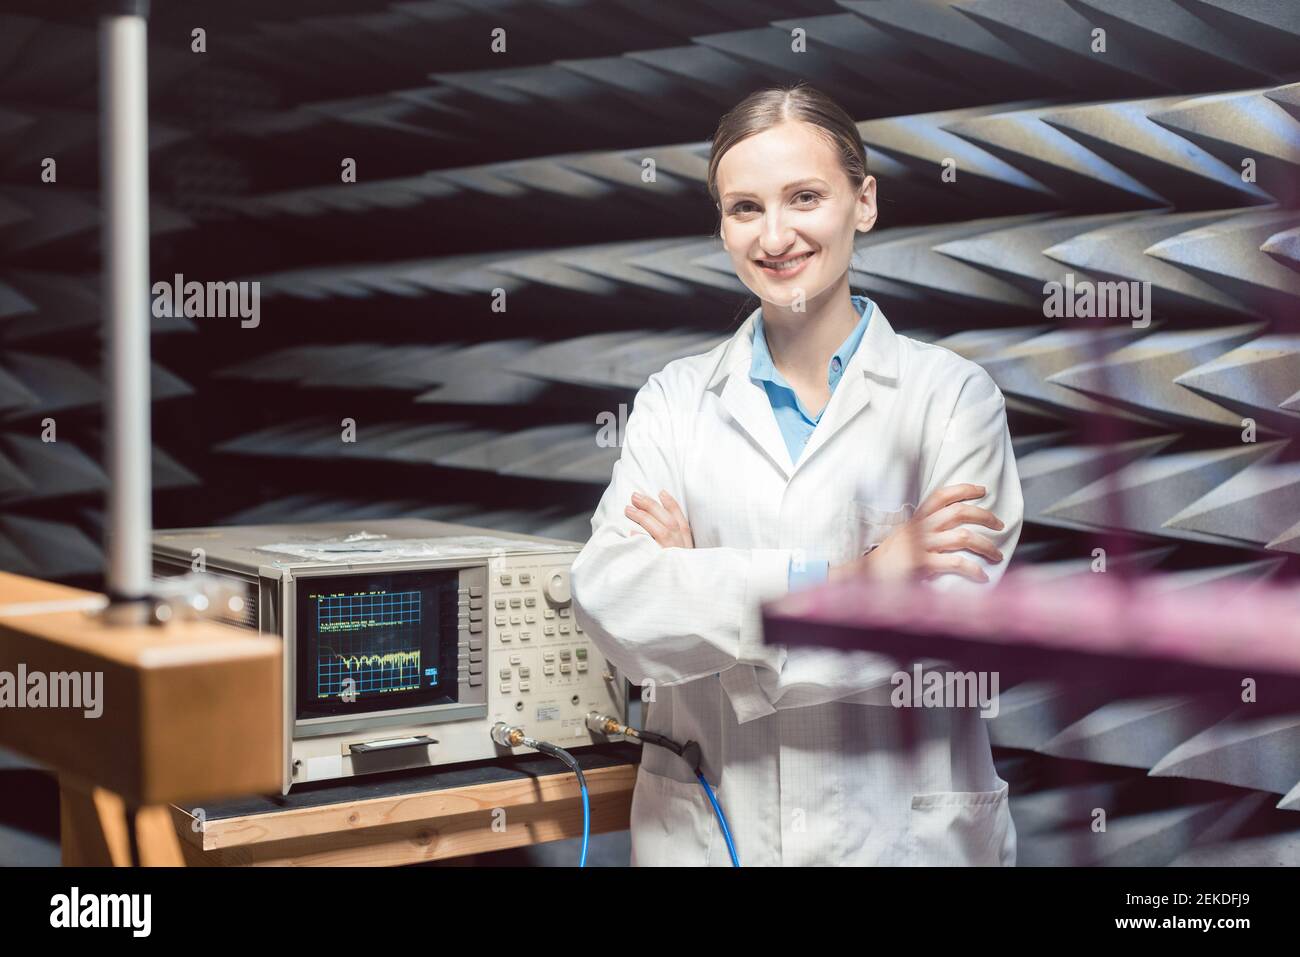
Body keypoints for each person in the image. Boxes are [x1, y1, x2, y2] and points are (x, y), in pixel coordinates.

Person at [569, 83, 1024, 866]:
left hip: (899, 841)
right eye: (745, 208)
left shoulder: (952, 400)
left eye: (804, 197)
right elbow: (611, 600)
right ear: (721, 225)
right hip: (711, 838)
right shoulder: (676, 401)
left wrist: (700, 587)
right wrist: (854, 576)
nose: (774, 235)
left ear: (864, 201)